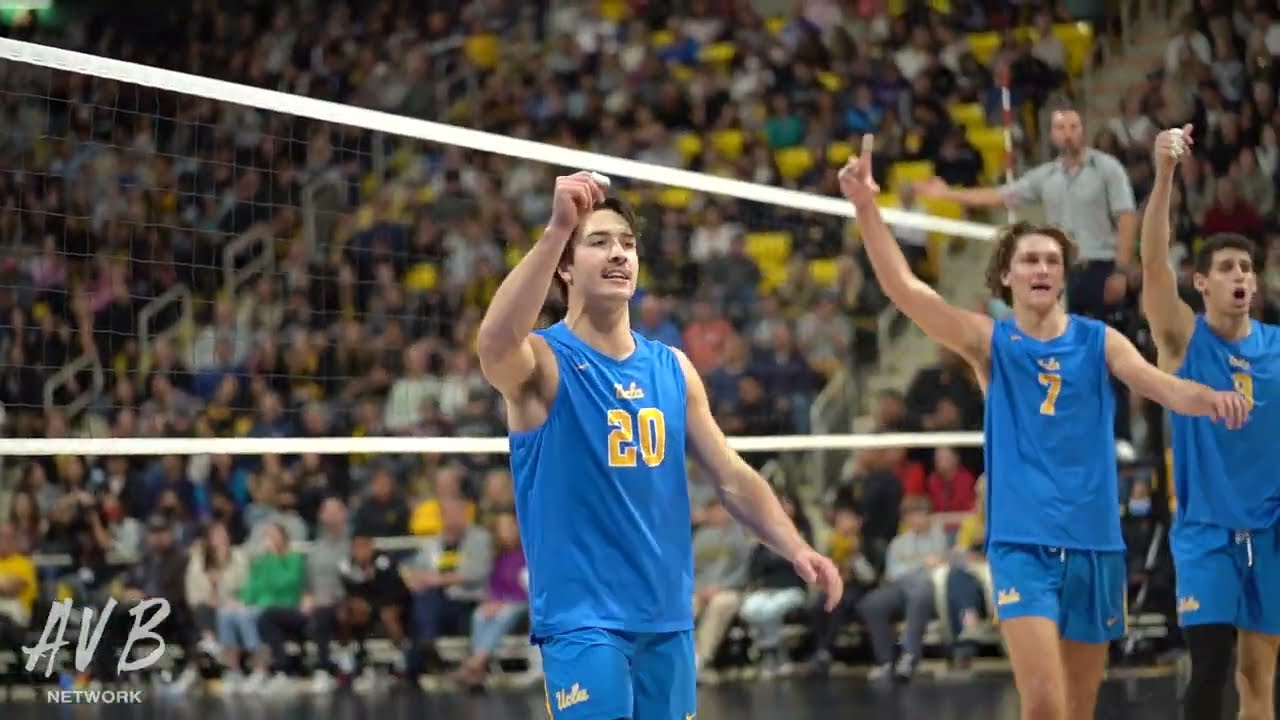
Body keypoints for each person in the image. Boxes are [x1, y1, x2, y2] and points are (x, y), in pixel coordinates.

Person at [837, 134, 1249, 720]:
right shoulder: (991, 342)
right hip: (1022, 545)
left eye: (1052, 261)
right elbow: (907, 291)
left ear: (1063, 276)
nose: (1042, 268)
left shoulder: (1097, 340)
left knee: (1078, 709)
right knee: (1045, 704)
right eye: (1029, 259)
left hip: (1096, 544)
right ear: (1006, 275)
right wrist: (866, 208)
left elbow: (1162, 387)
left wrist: (1211, 397)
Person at [476, 171, 842, 720]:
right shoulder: (544, 363)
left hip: (667, 617)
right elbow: (494, 343)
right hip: (584, 621)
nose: (619, 253)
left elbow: (732, 476)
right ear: (566, 269)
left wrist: (796, 547)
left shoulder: (674, 368)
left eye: (627, 243)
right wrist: (557, 228)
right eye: (598, 242)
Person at [1137, 125, 1280, 720]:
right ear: (1201, 282)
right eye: (1226, 268)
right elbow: (1149, 262)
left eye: (1246, 267)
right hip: (1206, 533)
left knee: (1258, 682)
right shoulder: (1182, 337)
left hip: (1270, 532)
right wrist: (1166, 174)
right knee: (1211, 665)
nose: (1240, 277)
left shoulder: (1277, 347)